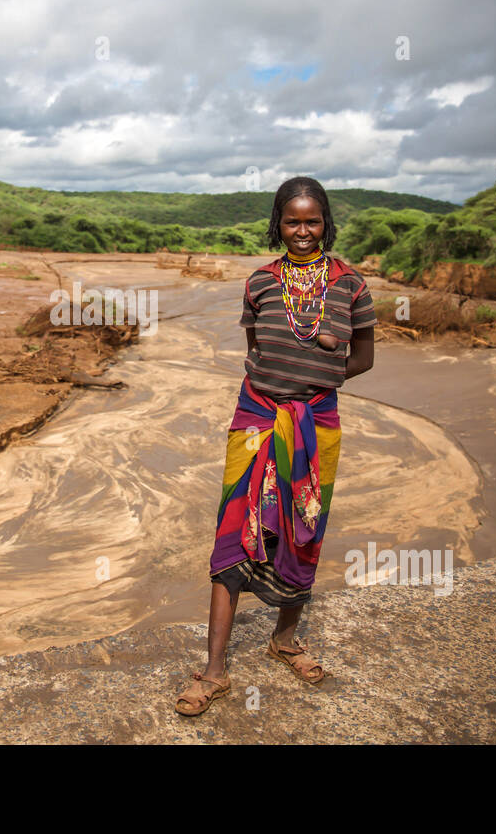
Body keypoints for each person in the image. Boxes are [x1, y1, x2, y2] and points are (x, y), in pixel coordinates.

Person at [174, 176, 376, 716]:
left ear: (326, 222)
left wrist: (320, 374)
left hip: (316, 420)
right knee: (235, 529)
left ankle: (284, 639)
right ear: (278, 223)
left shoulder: (351, 285)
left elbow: (363, 358)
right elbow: (256, 349)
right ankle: (214, 670)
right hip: (256, 417)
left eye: (313, 221)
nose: (303, 231)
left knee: (302, 525)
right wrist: (282, 386)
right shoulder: (261, 282)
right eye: (293, 221)